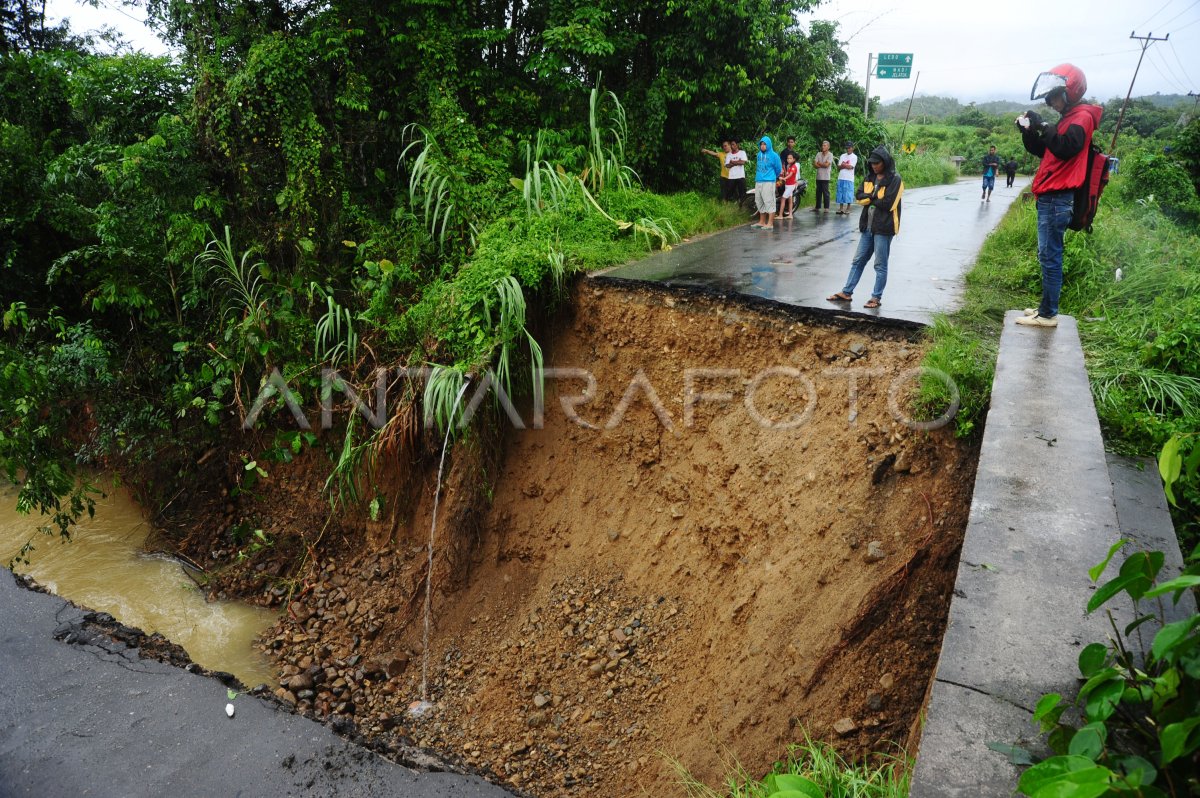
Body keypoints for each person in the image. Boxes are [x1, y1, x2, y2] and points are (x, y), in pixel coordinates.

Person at [1013, 63, 1102, 328]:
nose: (1051, 102)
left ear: (1070, 91)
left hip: (1058, 198)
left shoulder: (1082, 117)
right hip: (1051, 198)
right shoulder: (1069, 118)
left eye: (1054, 96)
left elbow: (1066, 148)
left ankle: (1048, 314)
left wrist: (1044, 126)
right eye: (1049, 98)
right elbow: (1047, 151)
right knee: (1047, 254)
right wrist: (1030, 132)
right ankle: (1045, 308)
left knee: (1050, 255)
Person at [826, 145, 903, 309]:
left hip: (884, 228)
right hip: (867, 227)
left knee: (880, 265)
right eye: (872, 163)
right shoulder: (870, 177)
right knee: (858, 260)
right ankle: (846, 292)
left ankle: (876, 297)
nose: (874, 166)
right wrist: (873, 197)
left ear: (885, 162)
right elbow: (859, 197)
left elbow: (888, 203)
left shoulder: (895, 179)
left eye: (877, 163)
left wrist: (870, 198)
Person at [751, 136, 782, 229]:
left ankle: (770, 223)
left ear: (769, 145)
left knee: (769, 201)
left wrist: (771, 177)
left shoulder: (774, 155)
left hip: (769, 182)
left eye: (765, 144)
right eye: (761, 144)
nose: (763, 146)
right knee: (759, 200)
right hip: (758, 180)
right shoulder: (758, 155)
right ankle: (761, 222)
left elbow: (778, 169)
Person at [776, 136, 798, 215]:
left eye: (792, 142)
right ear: (787, 142)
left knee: (784, 194)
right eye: (789, 142)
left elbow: (794, 166)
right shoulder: (784, 152)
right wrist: (784, 173)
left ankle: (783, 212)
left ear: (794, 143)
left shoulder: (793, 153)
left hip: (789, 176)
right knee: (779, 189)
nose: (790, 143)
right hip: (783, 173)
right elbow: (782, 163)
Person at [835, 141, 858, 215]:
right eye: (847, 148)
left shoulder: (854, 157)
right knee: (840, 192)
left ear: (852, 148)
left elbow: (851, 167)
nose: (848, 149)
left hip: (849, 178)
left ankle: (848, 208)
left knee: (848, 193)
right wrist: (845, 165)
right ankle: (841, 208)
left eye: (849, 148)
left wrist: (843, 165)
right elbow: (838, 166)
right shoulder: (842, 156)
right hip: (841, 177)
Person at [812, 140, 833, 213]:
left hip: (826, 177)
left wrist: (819, 163)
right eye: (822, 145)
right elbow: (814, 164)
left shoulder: (830, 155)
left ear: (828, 147)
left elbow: (827, 165)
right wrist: (822, 164)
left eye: (825, 146)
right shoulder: (818, 153)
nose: (823, 147)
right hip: (819, 176)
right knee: (818, 192)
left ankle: (826, 207)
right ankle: (817, 207)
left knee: (826, 192)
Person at [725, 140, 747, 204]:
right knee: (730, 193)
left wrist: (732, 162)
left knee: (742, 193)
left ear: (737, 145)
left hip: (741, 176)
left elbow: (743, 162)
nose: (732, 146)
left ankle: (742, 207)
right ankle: (729, 207)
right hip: (731, 177)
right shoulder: (728, 154)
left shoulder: (742, 153)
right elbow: (727, 165)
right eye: (731, 145)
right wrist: (738, 162)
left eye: (733, 144)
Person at [780, 152, 799, 218]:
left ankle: (780, 215)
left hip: (791, 186)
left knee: (783, 199)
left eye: (790, 158)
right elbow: (787, 173)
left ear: (794, 159)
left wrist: (784, 178)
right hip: (787, 185)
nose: (788, 159)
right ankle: (790, 214)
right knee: (790, 200)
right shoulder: (788, 165)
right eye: (788, 158)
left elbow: (790, 175)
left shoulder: (794, 167)